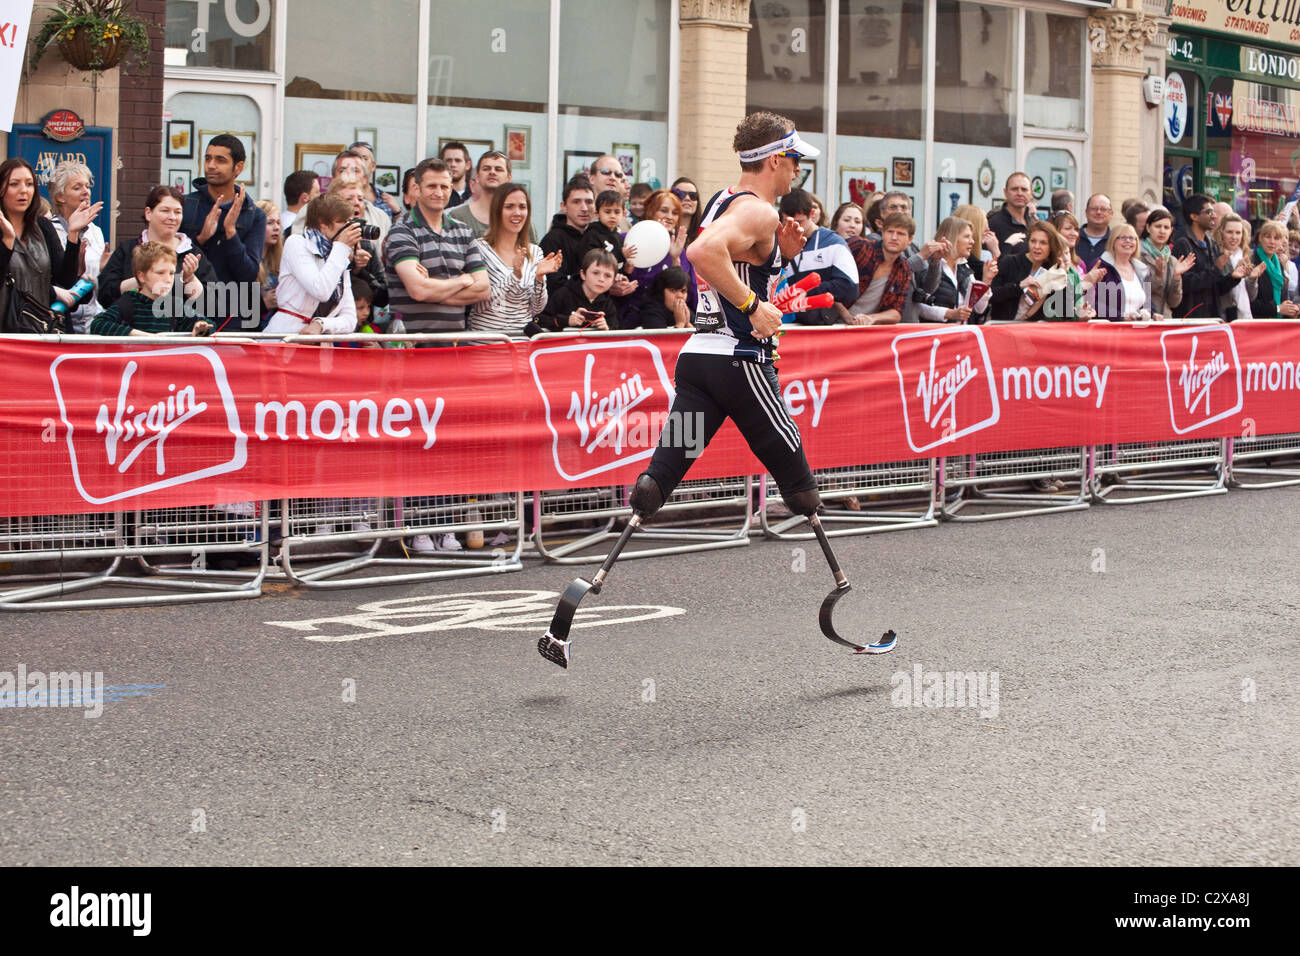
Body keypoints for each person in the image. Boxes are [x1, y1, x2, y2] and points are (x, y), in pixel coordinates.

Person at [536, 110, 898, 670]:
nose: (798, 171)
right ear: (776, 160)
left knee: (660, 477)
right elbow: (702, 256)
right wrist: (756, 309)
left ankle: (576, 604)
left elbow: (735, 265)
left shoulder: (725, 201)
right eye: (796, 161)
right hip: (740, 367)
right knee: (798, 479)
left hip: (698, 365)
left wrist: (784, 256)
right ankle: (842, 590)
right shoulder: (756, 208)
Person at [383, 157, 488, 335]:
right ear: (417, 188)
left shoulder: (463, 231)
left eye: (444, 187)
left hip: (453, 345)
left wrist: (433, 293)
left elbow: (483, 289)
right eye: (432, 186)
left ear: (451, 189)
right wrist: (461, 281)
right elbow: (418, 291)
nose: (439, 193)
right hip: (410, 347)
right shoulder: (401, 231)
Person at [0, 158, 93, 326]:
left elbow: (65, 281)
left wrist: (72, 235)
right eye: (14, 184)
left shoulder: (43, 226)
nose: (24, 191)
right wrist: (7, 241)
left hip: (39, 328)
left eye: (29, 184)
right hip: (6, 332)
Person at [99, 185, 216, 318]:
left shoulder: (192, 254)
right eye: (165, 210)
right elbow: (105, 296)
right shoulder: (128, 250)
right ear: (148, 213)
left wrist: (190, 279)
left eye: (177, 212)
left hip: (178, 334)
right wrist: (143, 279)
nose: (172, 217)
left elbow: (212, 306)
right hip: (133, 332)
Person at [470, 183, 561, 334]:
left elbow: (536, 308)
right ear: (497, 210)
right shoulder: (479, 249)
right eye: (509, 206)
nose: (517, 212)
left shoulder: (535, 252)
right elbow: (479, 305)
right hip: (487, 342)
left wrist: (539, 278)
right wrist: (514, 277)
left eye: (522, 207)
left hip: (521, 342)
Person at [264, 194, 360, 336]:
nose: (349, 228)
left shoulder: (338, 254)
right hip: (286, 338)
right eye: (343, 222)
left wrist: (321, 324)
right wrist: (341, 247)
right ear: (323, 224)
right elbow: (321, 290)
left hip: (319, 345)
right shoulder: (296, 243)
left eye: (350, 221)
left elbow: (350, 319)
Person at [179, 133, 265, 283]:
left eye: (220, 160)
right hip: (190, 301)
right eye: (207, 158)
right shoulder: (185, 204)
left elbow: (249, 275)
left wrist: (231, 231)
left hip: (231, 302)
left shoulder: (255, 215)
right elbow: (171, 262)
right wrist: (201, 238)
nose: (211, 165)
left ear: (238, 168)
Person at [91, 242, 212, 337]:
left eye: (171, 273)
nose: (168, 279)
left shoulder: (175, 306)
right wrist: (140, 336)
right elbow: (98, 325)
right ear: (141, 276)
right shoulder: (129, 302)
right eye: (160, 273)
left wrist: (200, 327)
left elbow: (210, 326)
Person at [777, 187, 858, 324]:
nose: (795, 227)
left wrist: (808, 291)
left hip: (822, 328)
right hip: (785, 326)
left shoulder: (834, 243)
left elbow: (850, 288)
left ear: (812, 214)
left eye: (800, 222)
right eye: (788, 221)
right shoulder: (778, 243)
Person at [620, 188, 695, 328]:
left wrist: (675, 259)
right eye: (664, 210)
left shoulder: (680, 252)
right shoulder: (627, 240)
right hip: (627, 319)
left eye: (675, 213)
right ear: (651, 212)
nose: (670, 217)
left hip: (663, 323)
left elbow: (687, 294)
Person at [48, 160, 106, 333]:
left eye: (87, 186)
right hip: (62, 321)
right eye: (77, 187)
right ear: (60, 196)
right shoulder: (50, 230)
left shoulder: (96, 232)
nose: (85, 192)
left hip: (93, 323)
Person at [1172, 194, 1248, 320]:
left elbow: (1216, 288)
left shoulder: (1211, 244)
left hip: (1212, 317)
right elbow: (1186, 284)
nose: (1214, 215)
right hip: (1191, 318)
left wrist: (1233, 278)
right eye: (1208, 212)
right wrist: (1215, 269)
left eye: (1213, 211)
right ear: (1194, 216)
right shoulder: (1183, 244)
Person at [917, 216, 997, 323]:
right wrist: (950, 314)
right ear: (952, 238)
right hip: (938, 335)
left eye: (972, 237)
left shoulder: (964, 267)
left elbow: (979, 308)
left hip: (963, 333)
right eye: (967, 237)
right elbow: (918, 306)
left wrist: (986, 281)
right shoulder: (928, 264)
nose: (972, 241)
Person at [841, 211, 916, 325]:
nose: (894, 237)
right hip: (830, 321)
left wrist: (871, 318)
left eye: (900, 233)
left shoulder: (904, 268)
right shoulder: (860, 247)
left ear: (910, 240)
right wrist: (846, 317)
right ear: (883, 233)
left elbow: (897, 312)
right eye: (890, 232)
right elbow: (828, 280)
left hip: (867, 329)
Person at [326, 172, 388, 307]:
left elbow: (383, 297)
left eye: (360, 199)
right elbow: (322, 290)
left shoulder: (366, 245)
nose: (356, 204)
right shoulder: (323, 242)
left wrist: (360, 269)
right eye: (349, 199)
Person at [991, 220, 1071, 321]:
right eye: (1033, 241)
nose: (1036, 247)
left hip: (1031, 330)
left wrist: (1062, 278)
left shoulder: (1052, 270)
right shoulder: (1010, 262)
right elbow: (992, 295)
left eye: (1043, 243)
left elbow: (1065, 312)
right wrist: (1018, 286)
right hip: (1003, 327)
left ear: (1051, 246)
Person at [448, 150, 536, 242]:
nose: (492, 172)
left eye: (498, 169)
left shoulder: (519, 219)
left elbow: (532, 253)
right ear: (477, 177)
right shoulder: (458, 216)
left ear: (509, 178)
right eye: (486, 168)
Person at [535, 248, 621, 332]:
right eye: (595, 273)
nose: (601, 279)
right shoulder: (563, 294)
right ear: (583, 274)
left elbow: (615, 331)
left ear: (613, 281)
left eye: (608, 275)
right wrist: (567, 320)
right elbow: (538, 320)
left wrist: (607, 329)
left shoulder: (609, 303)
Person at [540, 177, 594, 294]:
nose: (584, 208)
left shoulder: (597, 236)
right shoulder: (552, 240)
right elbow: (554, 284)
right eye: (576, 202)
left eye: (589, 202)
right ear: (564, 206)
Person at [1137, 207, 1193, 319]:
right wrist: (1157, 277)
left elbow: (1174, 302)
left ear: (1171, 230)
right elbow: (1140, 294)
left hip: (1165, 320)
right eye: (1158, 226)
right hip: (1144, 319)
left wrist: (1177, 277)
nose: (1162, 231)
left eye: (1166, 227)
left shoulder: (1172, 260)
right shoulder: (1138, 256)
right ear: (1148, 228)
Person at [1049, 211, 1102, 319]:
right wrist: (1084, 283)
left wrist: (1087, 309)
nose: (1074, 233)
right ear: (1055, 232)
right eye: (1068, 229)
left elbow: (1084, 301)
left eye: (1076, 229)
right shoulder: (1050, 262)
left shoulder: (1079, 263)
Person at [1246, 220, 1300, 318]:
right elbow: (1248, 303)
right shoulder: (1251, 261)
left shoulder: (1279, 264)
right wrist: (1277, 308)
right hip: (1258, 324)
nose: (1272, 242)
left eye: (1276, 238)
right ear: (1260, 238)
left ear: (1281, 242)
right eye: (1268, 237)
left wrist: (1292, 310)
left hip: (1278, 324)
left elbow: (1283, 299)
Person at [1212, 213, 1260, 322]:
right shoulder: (1216, 254)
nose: (1234, 237)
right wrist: (1234, 276)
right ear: (1221, 232)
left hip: (1245, 316)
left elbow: (1251, 296)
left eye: (1238, 233)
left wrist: (1252, 279)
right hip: (1225, 317)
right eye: (1230, 232)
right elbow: (1216, 289)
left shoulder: (1245, 254)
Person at [578, 190, 633, 273]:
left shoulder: (619, 237)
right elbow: (592, 263)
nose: (612, 216)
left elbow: (619, 267)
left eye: (617, 212)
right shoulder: (592, 235)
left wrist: (626, 270)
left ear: (624, 213)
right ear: (596, 213)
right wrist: (621, 255)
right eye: (607, 212)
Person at [348, 140, 402, 217]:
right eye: (354, 159)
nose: (359, 163)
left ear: (373, 166)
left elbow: (396, 228)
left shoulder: (385, 200)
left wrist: (397, 212)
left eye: (364, 158)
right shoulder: (339, 198)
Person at [988, 172, 1034, 254]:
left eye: (1024, 189)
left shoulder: (1034, 224)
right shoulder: (993, 224)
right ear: (1005, 192)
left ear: (1031, 193)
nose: (1019, 193)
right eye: (1014, 189)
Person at [952, 204, 997, 281]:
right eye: (984, 227)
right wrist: (996, 252)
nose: (988, 230)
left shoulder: (966, 261)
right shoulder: (964, 262)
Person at [255, 199, 283, 326]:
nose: (276, 227)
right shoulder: (246, 261)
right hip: (252, 332)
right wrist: (263, 303)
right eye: (270, 223)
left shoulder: (280, 260)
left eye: (278, 222)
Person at [1076, 194, 1113, 269]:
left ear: (1111, 214)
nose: (1098, 212)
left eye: (1103, 209)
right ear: (1086, 212)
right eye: (1094, 208)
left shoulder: (1115, 241)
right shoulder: (1073, 238)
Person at [440, 142, 473, 208]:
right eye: (448, 160)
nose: (453, 165)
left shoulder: (475, 194)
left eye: (458, 160)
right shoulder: (438, 195)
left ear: (468, 165)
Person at [671, 177, 703, 244]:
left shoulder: (704, 233)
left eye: (693, 195)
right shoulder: (663, 231)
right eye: (681, 194)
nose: (687, 198)